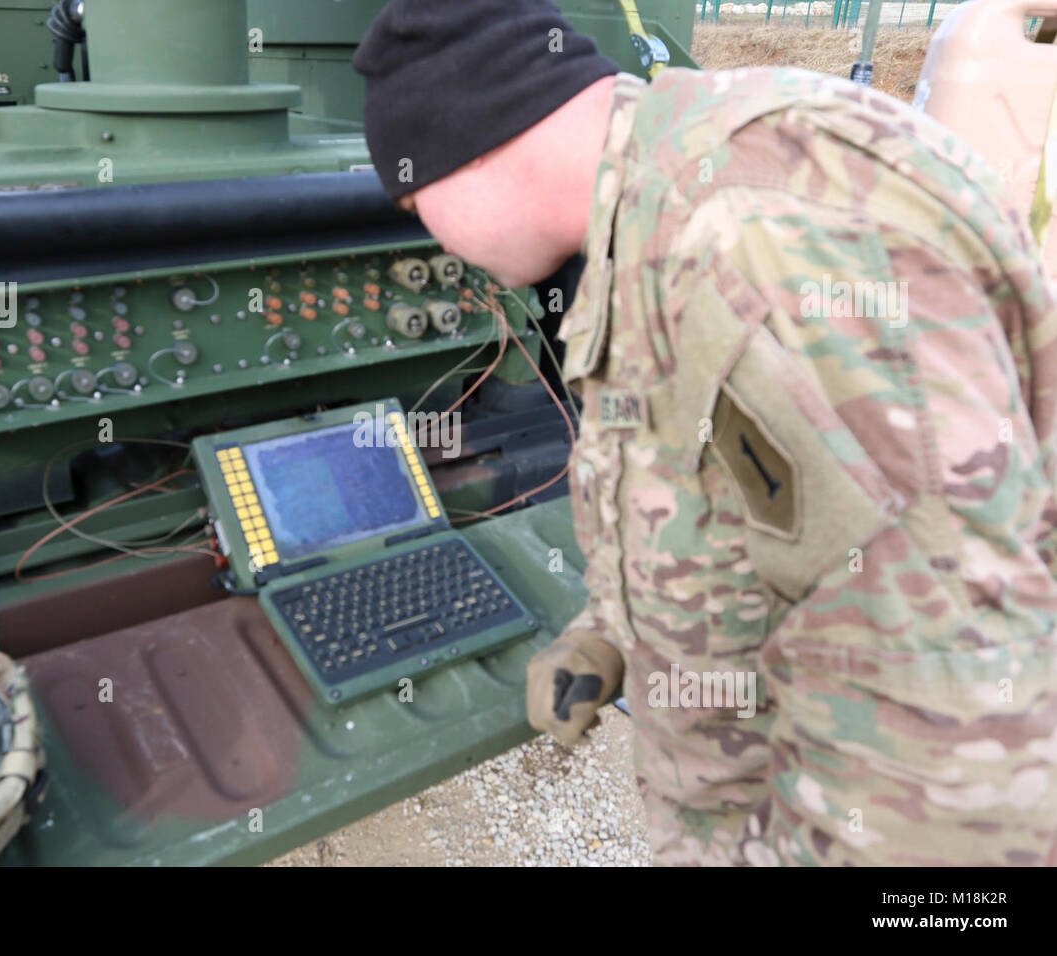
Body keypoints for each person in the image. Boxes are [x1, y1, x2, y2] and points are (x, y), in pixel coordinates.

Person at [354, 0, 1057, 865]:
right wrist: (609, 640)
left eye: (418, 205)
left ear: (474, 153)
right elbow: (714, 500)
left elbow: (939, 747)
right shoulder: (658, 213)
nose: (439, 242)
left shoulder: (746, 246)